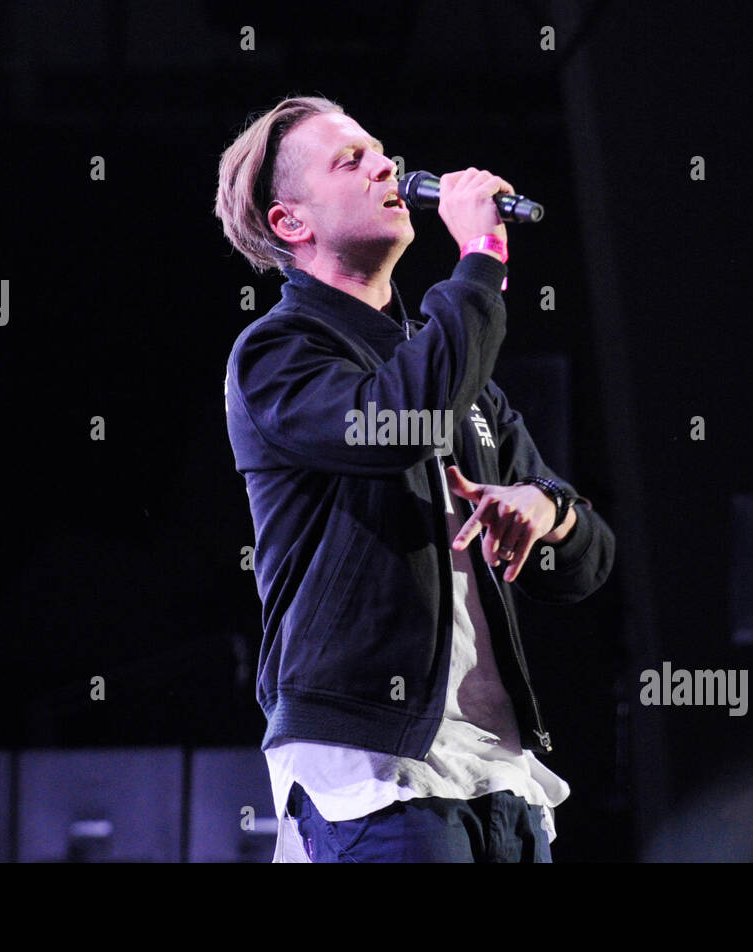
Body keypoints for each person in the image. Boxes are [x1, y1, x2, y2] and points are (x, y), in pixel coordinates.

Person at [214, 95, 616, 862]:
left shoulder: (460, 377)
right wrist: (480, 260)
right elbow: (400, 420)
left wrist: (546, 510)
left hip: (498, 770)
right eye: (350, 160)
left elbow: (587, 561)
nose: (386, 167)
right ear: (290, 223)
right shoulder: (277, 355)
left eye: (382, 151)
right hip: (374, 766)